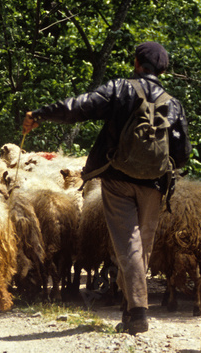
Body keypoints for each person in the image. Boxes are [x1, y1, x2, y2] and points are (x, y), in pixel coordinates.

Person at [22, 41, 191, 334]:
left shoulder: (120, 89)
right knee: (143, 247)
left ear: (137, 63)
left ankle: (138, 310)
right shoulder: (172, 103)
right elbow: (183, 152)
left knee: (127, 243)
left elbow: (79, 106)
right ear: (163, 70)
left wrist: (40, 115)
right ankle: (130, 306)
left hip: (118, 178)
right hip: (154, 184)